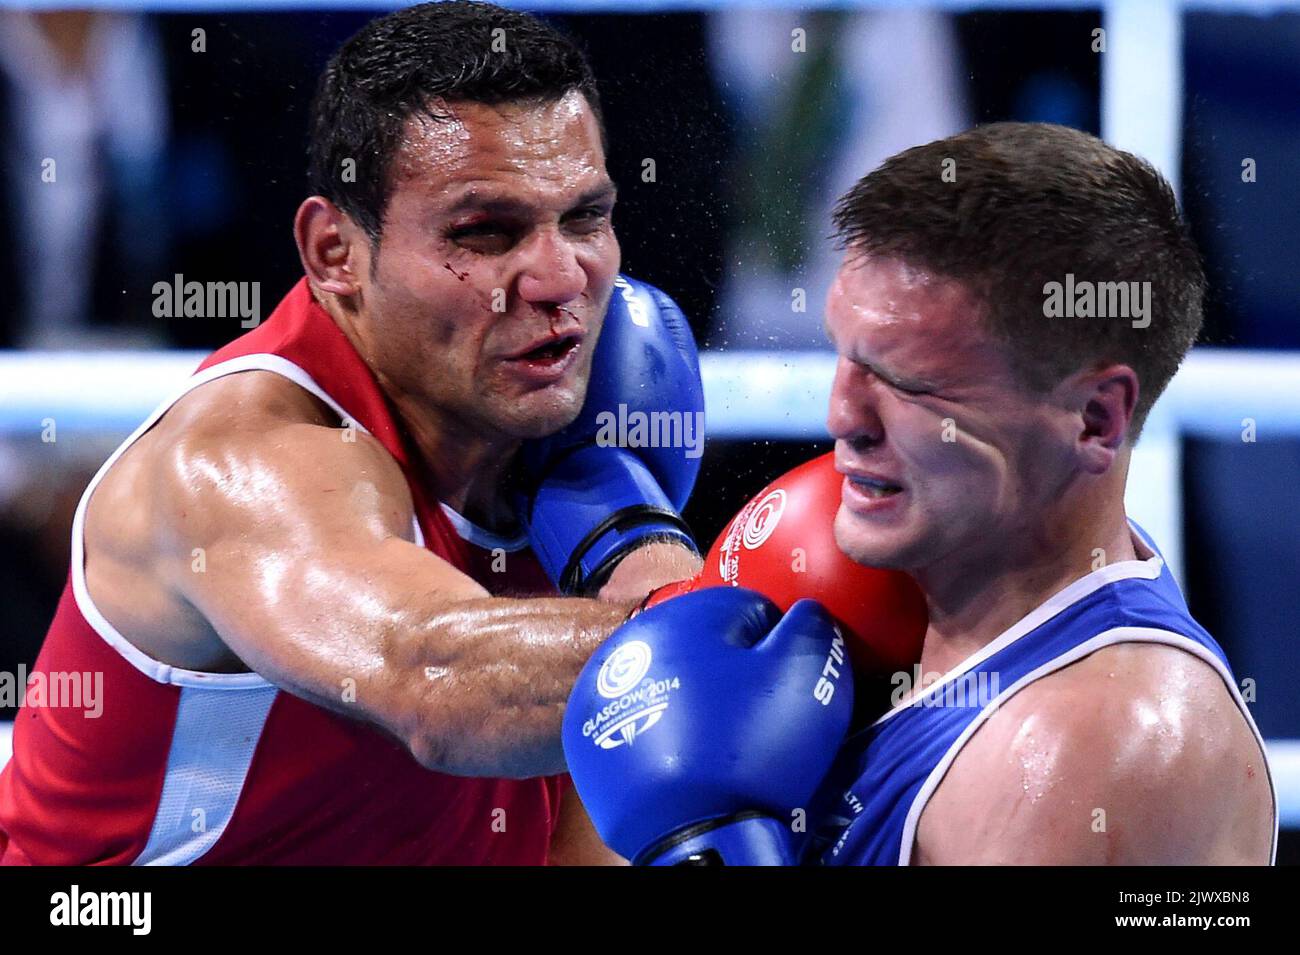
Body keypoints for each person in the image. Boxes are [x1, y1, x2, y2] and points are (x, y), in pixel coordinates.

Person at [0, 1, 705, 865]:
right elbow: (436, 678)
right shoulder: (241, 459)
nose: (560, 276)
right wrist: (741, 630)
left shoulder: (558, 422)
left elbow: (571, 827)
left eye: (586, 218)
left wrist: (643, 559)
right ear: (336, 251)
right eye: (485, 232)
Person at [566, 123, 1277, 866]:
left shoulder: (1092, 752)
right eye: (847, 356)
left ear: (1095, 420)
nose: (842, 417)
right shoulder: (889, 570)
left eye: (909, 383)